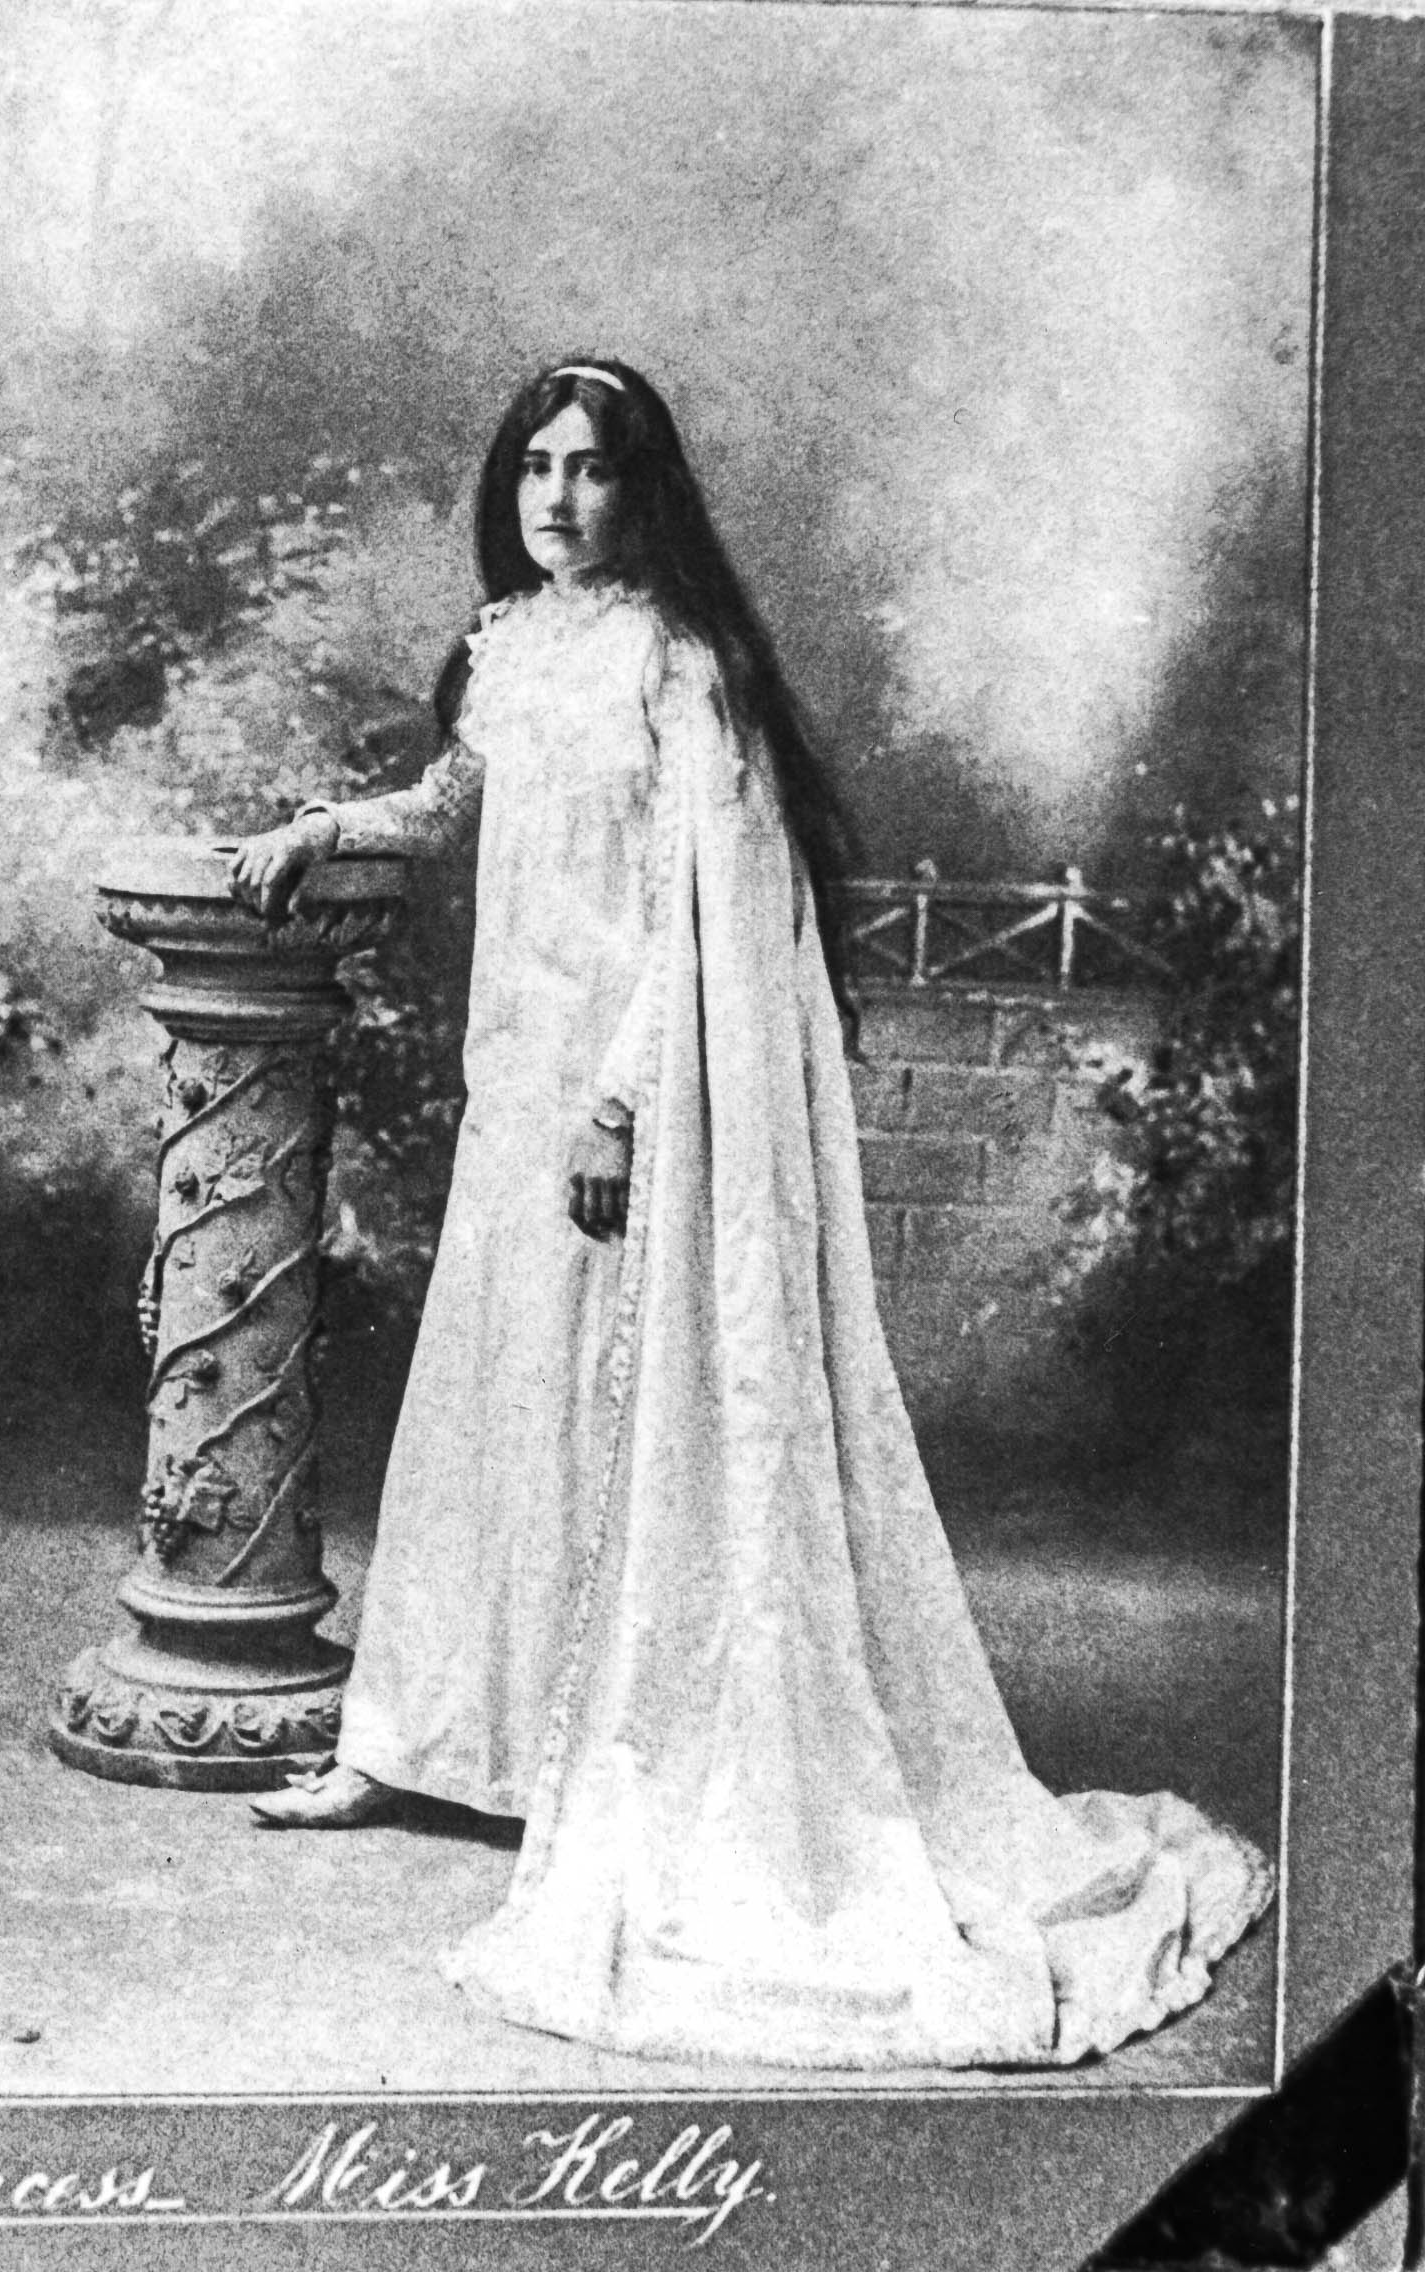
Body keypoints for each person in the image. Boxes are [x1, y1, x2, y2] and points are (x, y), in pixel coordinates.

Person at [227, 359, 1271, 2070]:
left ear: (646, 495)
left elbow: (705, 912)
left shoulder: (682, 665)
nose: (560, 500)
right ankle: (418, 1745)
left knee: (619, 1418)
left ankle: (596, 1763)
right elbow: (453, 802)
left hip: (635, 1094)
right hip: (511, 1085)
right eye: (537, 468)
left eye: (593, 472)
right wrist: (332, 823)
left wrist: (624, 1105)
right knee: (495, 1403)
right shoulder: (510, 645)